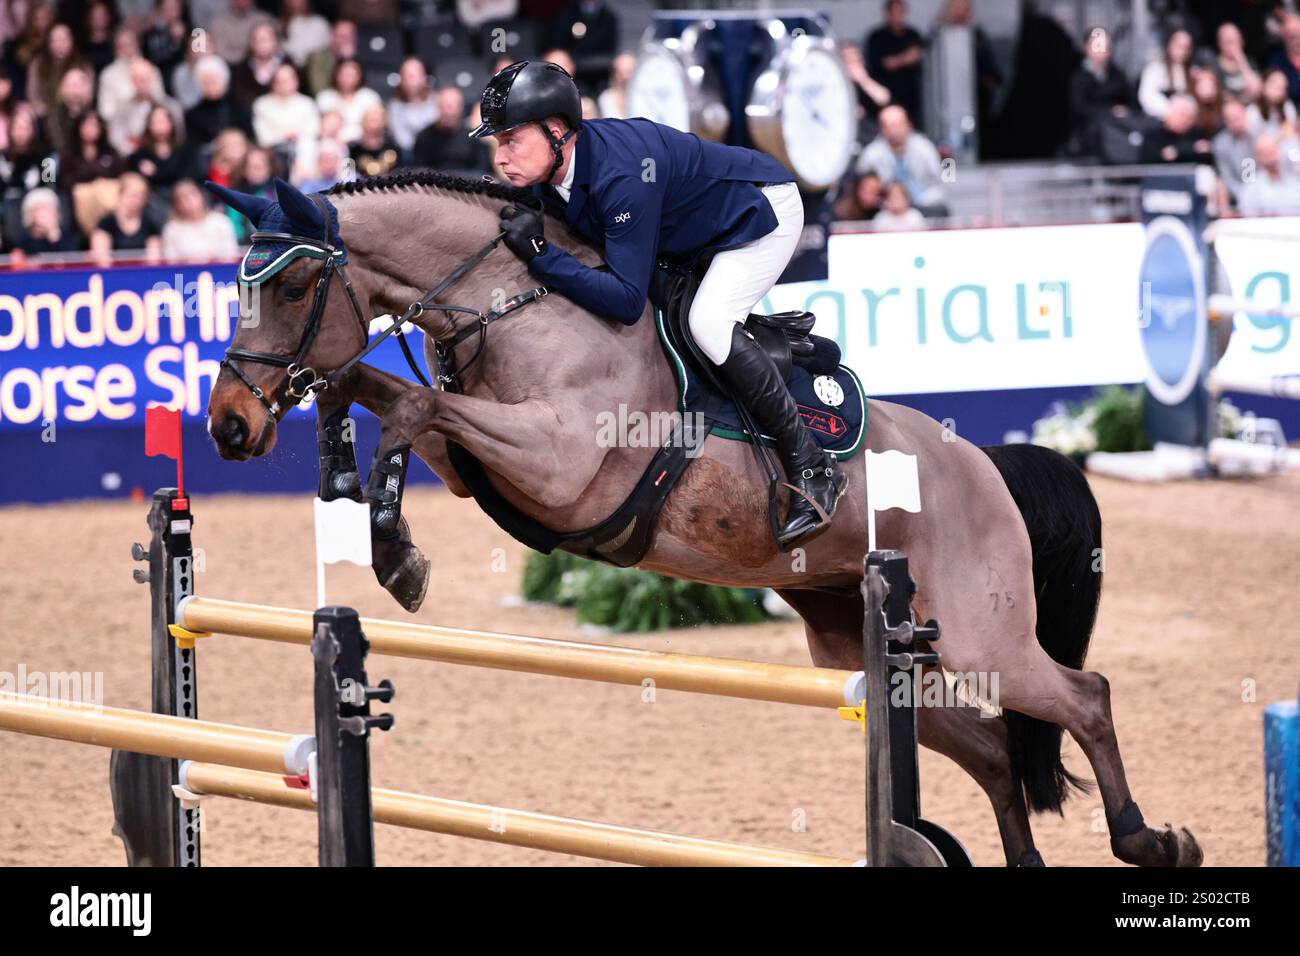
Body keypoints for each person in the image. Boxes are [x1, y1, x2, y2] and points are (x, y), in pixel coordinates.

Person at [470, 59, 847, 547]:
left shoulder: (622, 178)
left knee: (708, 323)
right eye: (499, 142)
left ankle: (812, 465)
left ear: (557, 131)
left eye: (510, 139)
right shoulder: (561, 168)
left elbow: (626, 301)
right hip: (693, 231)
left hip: (760, 215)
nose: (502, 155)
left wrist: (541, 256)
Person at [854, 105, 946, 211]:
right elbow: (862, 190)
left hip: (925, 205)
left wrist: (923, 201)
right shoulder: (871, 155)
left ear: (908, 125)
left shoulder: (925, 148)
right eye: (888, 126)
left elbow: (943, 181)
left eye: (897, 124)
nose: (893, 131)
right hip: (885, 210)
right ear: (881, 129)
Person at [1067, 27, 1136, 157]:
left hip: (1121, 127)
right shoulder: (1078, 77)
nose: (1102, 51)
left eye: (1106, 46)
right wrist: (1110, 112)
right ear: (1086, 48)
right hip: (1091, 132)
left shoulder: (1118, 75)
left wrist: (1124, 111)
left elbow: (1130, 100)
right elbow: (1079, 108)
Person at [866, 0, 925, 125]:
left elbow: (920, 59)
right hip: (885, 96)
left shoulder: (913, 35)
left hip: (911, 96)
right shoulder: (877, 37)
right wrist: (905, 58)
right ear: (888, 13)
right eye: (895, 11)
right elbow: (883, 64)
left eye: (901, 12)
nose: (899, 15)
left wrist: (902, 60)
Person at [90, 170, 162, 263]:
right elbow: (101, 257)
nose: (138, 201)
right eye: (133, 196)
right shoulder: (106, 223)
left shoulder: (150, 225)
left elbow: (154, 258)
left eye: (142, 196)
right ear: (121, 194)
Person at [412, 86, 485, 174]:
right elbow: (419, 171)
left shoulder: (474, 138)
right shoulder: (424, 137)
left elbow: (481, 171)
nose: (447, 112)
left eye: (450, 106)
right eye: (443, 106)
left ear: (460, 108)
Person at [161, 178, 238, 260]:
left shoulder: (221, 222)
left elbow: (232, 256)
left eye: (192, 194)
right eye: (181, 198)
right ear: (176, 205)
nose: (188, 201)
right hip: (185, 272)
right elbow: (170, 263)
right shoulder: (171, 229)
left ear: (201, 195)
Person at [185, 55, 253, 144]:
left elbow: (250, 138)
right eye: (205, 82)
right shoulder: (192, 115)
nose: (210, 86)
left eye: (213, 81)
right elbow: (195, 146)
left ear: (224, 80)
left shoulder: (240, 108)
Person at [252, 61, 320, 149]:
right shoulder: (261, 104)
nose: (282, 85)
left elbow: (313, 131)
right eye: (278, 81)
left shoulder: (307, 103)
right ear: (272, 83)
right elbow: (263, 137)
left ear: (296, 81)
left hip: (303, 148)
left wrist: (296, 136)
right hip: (273, 150)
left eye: (285, 81)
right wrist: (284, 137)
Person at [315, 57, 381, 144]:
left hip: (362, 145)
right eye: (345, 74)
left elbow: (375, 125)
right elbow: (320, 128)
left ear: (360, 76)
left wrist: (347, 137)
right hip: (332, 145)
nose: (348, 78)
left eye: (352, 74)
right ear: (336, 75)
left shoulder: (369, 97)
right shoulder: (325, 97)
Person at [387, 57, 438, 160]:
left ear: (424, 77)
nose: (411, 81)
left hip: (433, 149)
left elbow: (436, 129)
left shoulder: (436, 100)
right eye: (407, 76)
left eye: (415, 75)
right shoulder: (394, 105)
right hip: (408, 153)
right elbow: (400, 137)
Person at [1238, 132, 1300, 214]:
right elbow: (1248, 219)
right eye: (1265, 152)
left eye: (1273, 149)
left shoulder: (1295, 181)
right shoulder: (1250, 189)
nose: (1271, 155)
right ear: (1258, 158)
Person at [1139, 28, 1194, 119]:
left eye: (1186, 48)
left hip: (1185, 121)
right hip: (1158, 119)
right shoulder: (1155, 69)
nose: (1183, 51)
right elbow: (1146, 96)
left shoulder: (1193, 72)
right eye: (1179, 46)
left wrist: (1185, 111)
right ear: (1170, 45)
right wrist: (1169, 111)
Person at [231, 21, 286, 109]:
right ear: (251, 43)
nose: (262, 44)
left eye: (266, 40)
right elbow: (240, 97)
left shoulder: (287, 63)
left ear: (275, 41)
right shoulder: (242, 68)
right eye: (258, 40)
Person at [1215, 98, 1258, 206]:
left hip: (1262, 190)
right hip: (1238, 197)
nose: (1236, 123)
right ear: (1226, 121)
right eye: (1231, 119)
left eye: (1238, 118)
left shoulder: (1258, 137)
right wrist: (1245, 195)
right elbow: (1227, 178)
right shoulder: (1220, 144)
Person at [208, 0, 277, 65]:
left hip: (261, 65)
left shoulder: (264, 20)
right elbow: (221, 52)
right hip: (230, 68)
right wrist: (246, 60)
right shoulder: (219, 23)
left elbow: (273, 47)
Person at [16, 186, 79, 254]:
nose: (46, 214)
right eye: (40, 209)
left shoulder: (69, 238)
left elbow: (73, 259)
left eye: (49, 208)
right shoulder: (24, 242)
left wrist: (54, 235)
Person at [1214, 21, 1262, 102]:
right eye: (1229, 41)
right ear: (1220, 43)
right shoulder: (1214, 66)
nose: (1234, 44)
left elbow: (1257, 90)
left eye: (1237, 40)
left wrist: (1241, 60)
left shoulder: (1249, 63)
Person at [349, 104, 399, 177]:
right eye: (372, 120)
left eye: (379, 120)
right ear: (363, 123)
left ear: (384, 123)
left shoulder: (393, 148)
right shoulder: (353, 150)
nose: (376, 125)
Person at [1249, 68, 1298, 137]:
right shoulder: (1253, 111)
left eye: (1284, 88)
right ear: (1264, 85)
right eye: (1278, 88)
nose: (1281, 93)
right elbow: (1259, 144)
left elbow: (1292, 133)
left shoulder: (1287, 105)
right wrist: (1283, 133)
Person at [596, 52, 635, 119]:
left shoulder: (645, 97)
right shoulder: (606, 97)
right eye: (620, 72)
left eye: (628, 72)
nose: (624, 77)